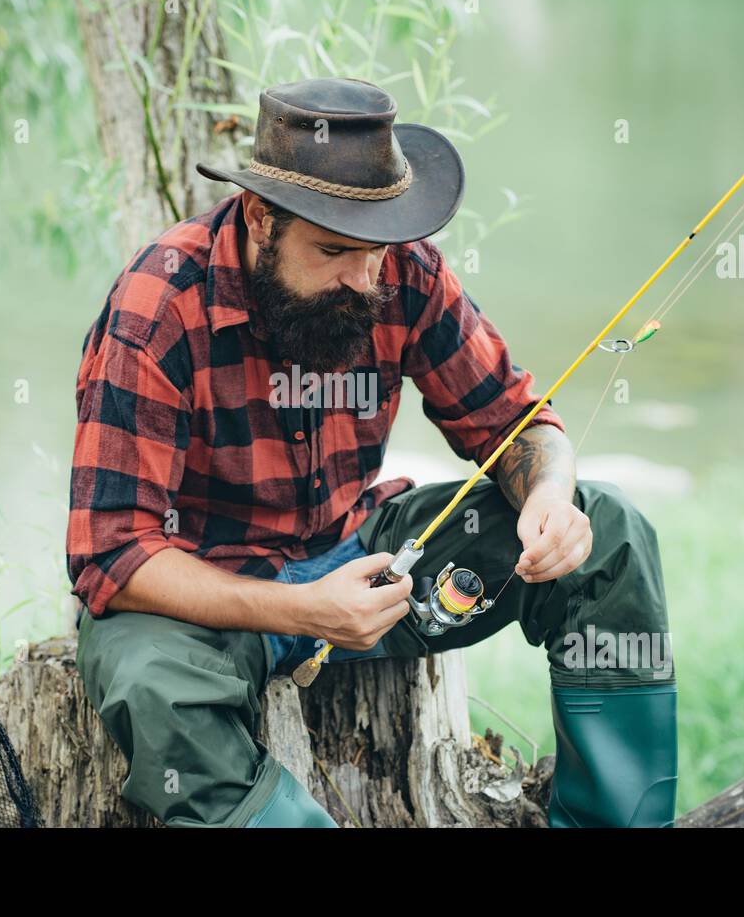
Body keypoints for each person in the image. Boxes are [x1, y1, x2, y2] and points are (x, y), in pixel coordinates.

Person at [67, 77, 677, 827]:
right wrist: (302, 609)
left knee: (608, 531)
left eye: (376, 251)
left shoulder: (401, 270)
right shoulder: (159, 304)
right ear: (260, 218)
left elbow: (518, 423)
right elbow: (110, 553)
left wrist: (549, 494)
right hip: (210, 591)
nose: (363, 278)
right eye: (333, 250)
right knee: (149, 683)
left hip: (366, 558)